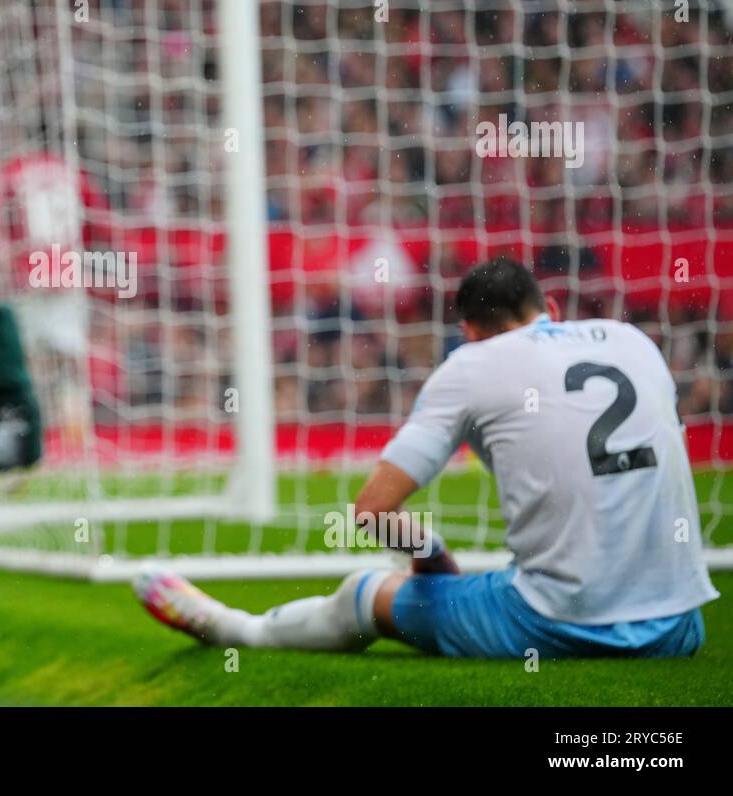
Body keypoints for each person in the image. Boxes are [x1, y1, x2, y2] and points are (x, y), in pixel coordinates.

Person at [136, 257, 719, 659]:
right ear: (550, 308)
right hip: (680, 625)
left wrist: (430, 553)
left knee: (364, 591)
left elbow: (372, 508)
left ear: (468, 330)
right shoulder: (632, 341)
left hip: (561, 621)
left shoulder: (470, 364)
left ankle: (240, 631)